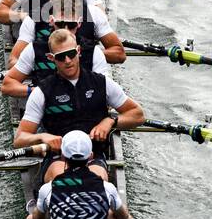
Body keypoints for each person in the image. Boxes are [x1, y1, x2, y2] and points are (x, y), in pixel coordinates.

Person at [12, 28, 145, 163]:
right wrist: (42, 137)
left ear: (79, 51)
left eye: (71, 54)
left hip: (93, 154)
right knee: (59, 172)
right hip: (58, 156)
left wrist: (110, 121)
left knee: (96, 174)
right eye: (61, 57)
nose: (67, 60)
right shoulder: (42, 91)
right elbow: (19, 139)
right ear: (51, 58)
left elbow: (138, 115)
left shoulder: (102, 83)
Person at [0, 0, 125, 97]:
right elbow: (7, 86)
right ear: (51, 21)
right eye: (60, 24)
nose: (65, 30)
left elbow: (105, 89)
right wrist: (39, 92)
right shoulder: (35, 49)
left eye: (71, 25)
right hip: (48, 110)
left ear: (79, 23)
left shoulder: (94, 52)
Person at [28, 129, 132, 219]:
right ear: (91, 156)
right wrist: (127, 218)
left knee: (35, 216)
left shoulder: (48, 188)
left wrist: (31, 218)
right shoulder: (107, 187)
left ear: (63, 156)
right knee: (111, 214)